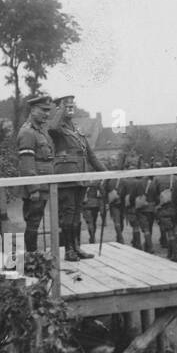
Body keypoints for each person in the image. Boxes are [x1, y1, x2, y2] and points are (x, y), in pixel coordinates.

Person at [49, 94, 106, 260]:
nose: (70, 108)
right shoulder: (57, 128)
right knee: (68, 214)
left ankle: (76, 247)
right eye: (67, 106)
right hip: (66, 177)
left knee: (76, 215)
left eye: (72, 106)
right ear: (59, 108)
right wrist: (61, 110)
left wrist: (107, 173)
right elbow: (53, 128)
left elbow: (91, 155)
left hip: (80, 177)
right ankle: (68, 250)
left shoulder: (77, 129)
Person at [16, 94, 55, 254]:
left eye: (48, 110)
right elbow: (26, 164)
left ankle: (34, 255)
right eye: (43, 110)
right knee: (33, 222)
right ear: (33, 110)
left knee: (36, 221)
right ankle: (31, 256)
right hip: (36, 186)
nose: (46, 114)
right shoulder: (27, 132)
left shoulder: (41, 131)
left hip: (44, 183)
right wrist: (33, 189)